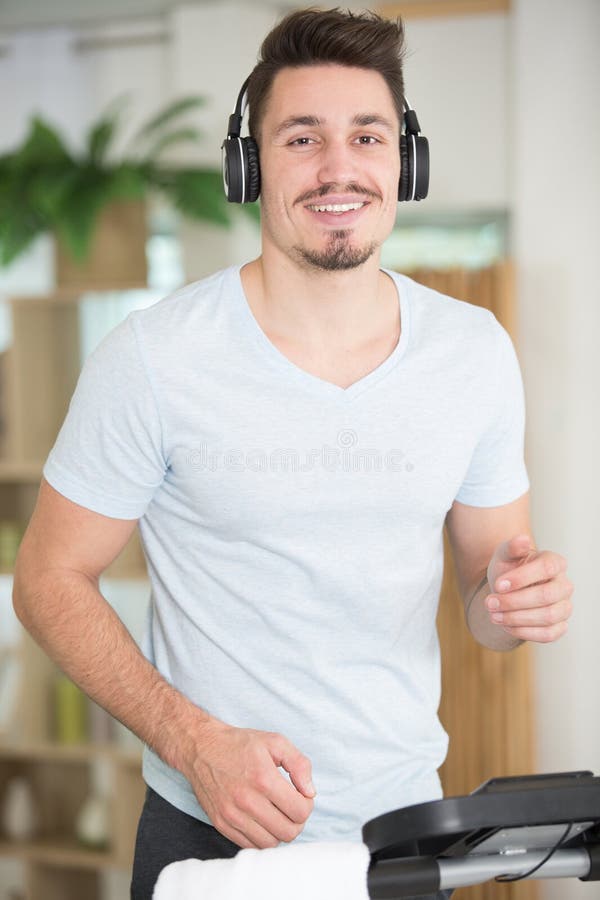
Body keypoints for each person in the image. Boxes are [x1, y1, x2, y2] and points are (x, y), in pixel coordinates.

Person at [12, 8, 573, 900]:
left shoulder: (474, 352)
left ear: (405, 161)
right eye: (301, 138)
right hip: (212, 825)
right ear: (250, 165)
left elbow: (484, 596)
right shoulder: (154, 357)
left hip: (403, 827)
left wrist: (512, 603)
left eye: (367, 136)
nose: (338, 168)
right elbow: (47, 580)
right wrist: (194, 741)